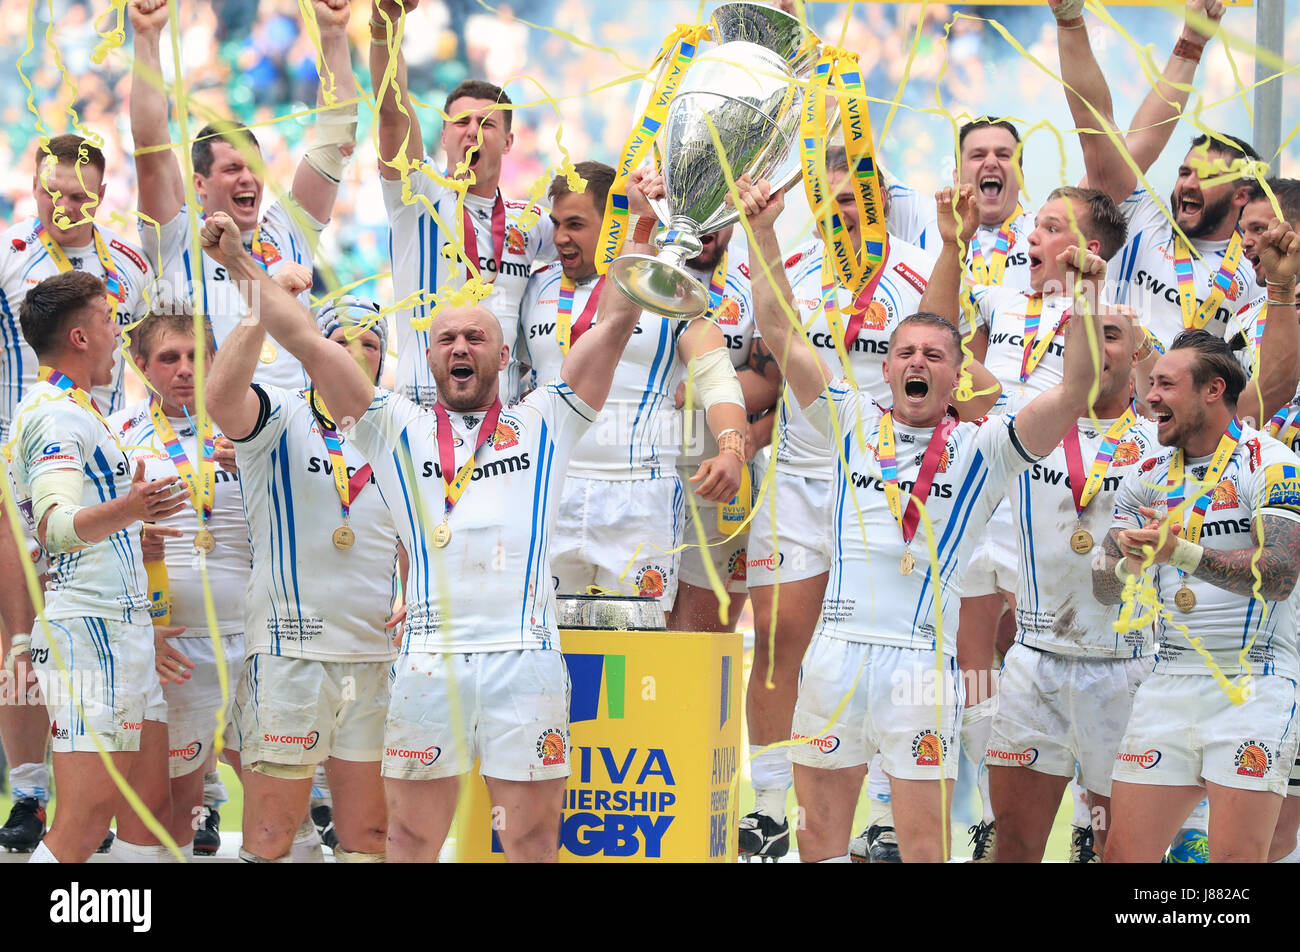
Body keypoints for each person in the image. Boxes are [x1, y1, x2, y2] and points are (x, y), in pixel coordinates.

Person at [196, 169, 655, 862]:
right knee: (409, 838)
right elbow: (309, 345)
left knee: (529, 836)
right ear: (428, 355)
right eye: (447, 340)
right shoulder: (393, 426)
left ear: (505, 355)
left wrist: (641, 231)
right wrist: (239, 263)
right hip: (427, 663)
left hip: (523, 657)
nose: (462, 348)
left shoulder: (547, 419)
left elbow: (618, 320)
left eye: (476, 337)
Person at [737, 174, 1105, 862]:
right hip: (837, 656)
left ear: (953, 378)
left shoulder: (985, 448)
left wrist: (1084, 298)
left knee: (921, 846)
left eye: (935, 355)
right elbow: (781, 331)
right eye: (904, 351)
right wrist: (761, 233)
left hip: (919, 670)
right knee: (818, 836)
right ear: (887, 370)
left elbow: (1076, 388)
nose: (916, 362)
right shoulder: (848, 419)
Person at [1092, 314, 1300, 862]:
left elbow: (1278, 575)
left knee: (1232, 865)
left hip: (1253, 681)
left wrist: (1179, 552)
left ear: (1213, 391)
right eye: (1150, 382)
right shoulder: (1145, 474)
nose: (1149, 396)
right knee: (1122, 857)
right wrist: (1117, 558)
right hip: (1170, 676)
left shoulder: (1273, 462)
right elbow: (1105, 593)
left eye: (1165, 385)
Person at [205, 287, 400, 864]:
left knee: (368, 839)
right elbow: (220, 398)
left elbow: (415, 531)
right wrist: (261, 307)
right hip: (292, 653)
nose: (358, 354)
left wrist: (414, 591)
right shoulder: (278, 411)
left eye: (371, 344)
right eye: (341, 343)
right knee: (273, 837)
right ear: (316, 351)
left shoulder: (399, 427)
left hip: (375, 657)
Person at [0, 133, 155, 852]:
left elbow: (152, 355)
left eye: (78, 192)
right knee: (21, 635)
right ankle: (31, 788)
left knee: (123, 623)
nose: (63, 204)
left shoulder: (127, 267)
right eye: (51, 190)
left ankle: (97, 806)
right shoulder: (8, 253)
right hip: (26, 456)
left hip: (106, 449)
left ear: (99, 194)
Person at [9, 271, 188, 862]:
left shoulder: (79, 409)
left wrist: (136, 540)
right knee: (84, 822)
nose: (119, 333)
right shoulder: (56, 414)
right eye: (111, 321)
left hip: (119, 626)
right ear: (81, 336)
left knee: (152, 812)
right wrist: (129, 507)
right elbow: (56, 529)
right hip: (88, 632)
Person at [515, 161, 746, 613]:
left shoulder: (664, 285)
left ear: (612, 222)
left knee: (632, 652)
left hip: (639, 498)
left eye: (576, 224)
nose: (561, 237)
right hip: (548, 489)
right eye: (557, 223)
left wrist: (732, 447)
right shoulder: (534, 287)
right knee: (546, 641)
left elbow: (717, 373)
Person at [129, 0, 359, 389]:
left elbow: (337, 142)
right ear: (199, 184)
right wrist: (147, 37)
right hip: (212, 435)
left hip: (294, 434)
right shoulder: (177, 235)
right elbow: (150, 148)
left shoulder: (287, 229)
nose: (248, 178)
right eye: (232, 169)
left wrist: (334, 34)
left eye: (254, 166)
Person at [105, 309, 248, 861]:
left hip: (255, 635)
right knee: (167, 799)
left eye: (197, 356)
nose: (185, 370)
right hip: (169, 641)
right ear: (140, 366)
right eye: (169, 358)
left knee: (274, 786)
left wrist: (258, 462)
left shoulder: (253, 423)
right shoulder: (117, 434)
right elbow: (95, 540)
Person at [370, 0, 554, 406]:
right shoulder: (417, 195)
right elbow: (392, 110)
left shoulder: (532, 222)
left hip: (502, 424)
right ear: (444, 137)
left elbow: (598, 249)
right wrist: (386, 23)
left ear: (508, 143)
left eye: (486, 124)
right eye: (462, 123)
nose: (473, 132)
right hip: (421, 411)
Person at [1055, 0, 1252, 355]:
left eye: (1205, 176)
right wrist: (1070, 19)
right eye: (1184, 172)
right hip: (1111, 399)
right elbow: (1099, 125)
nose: (1188, 185)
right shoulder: (1140, 214)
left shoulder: (1260, 269)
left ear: (1242, 195)